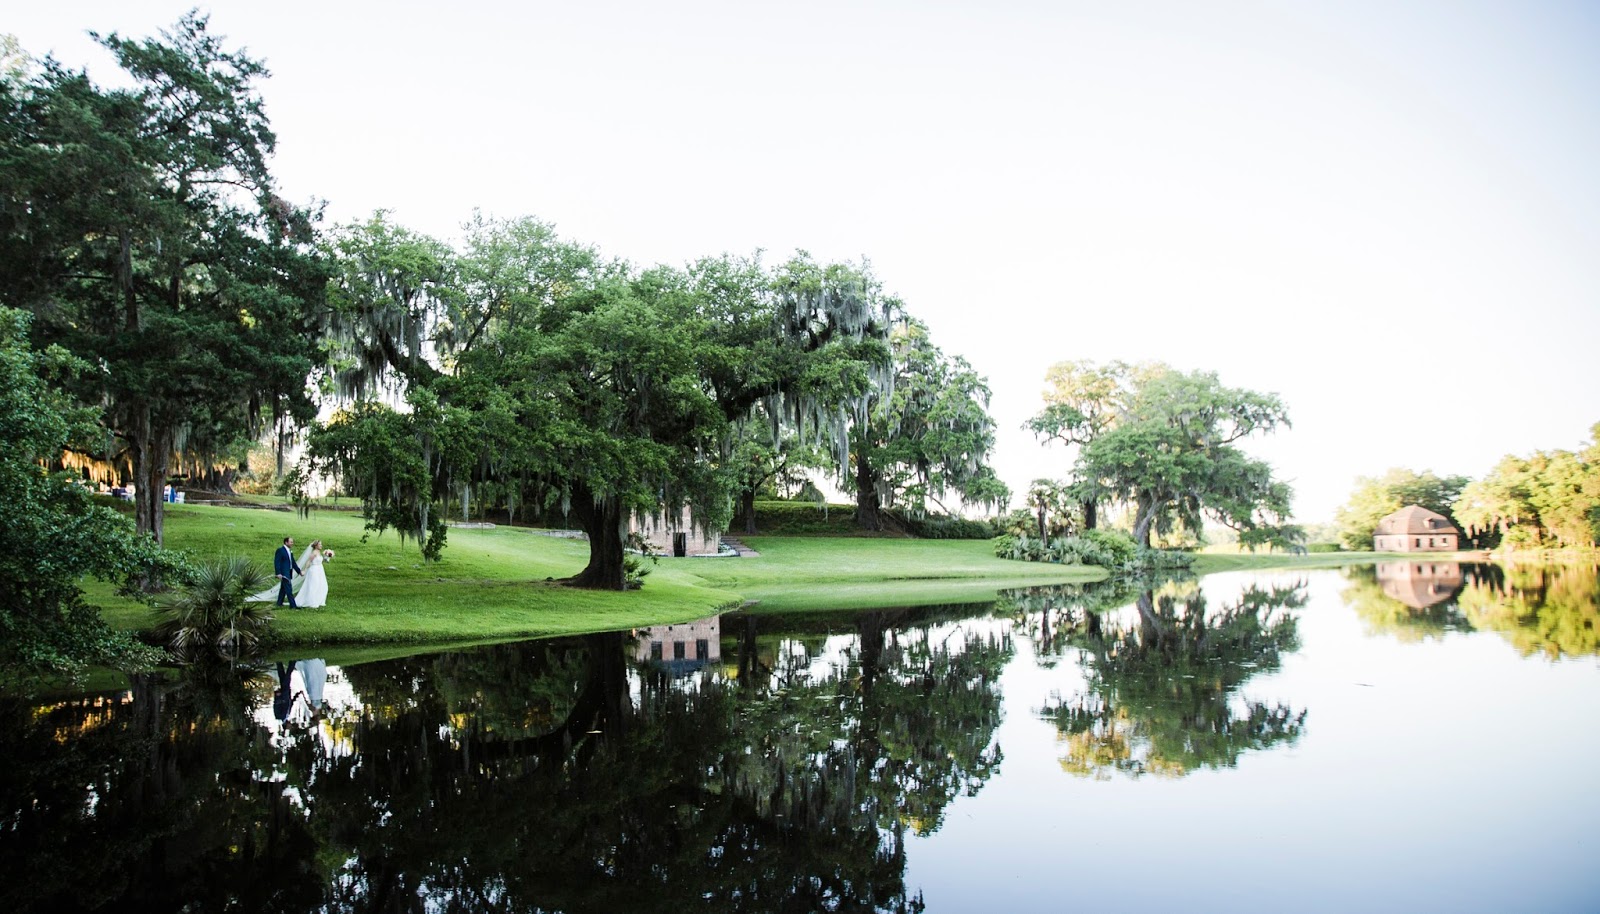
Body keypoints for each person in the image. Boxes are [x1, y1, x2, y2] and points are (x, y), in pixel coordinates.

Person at [297, 540, 330, 609]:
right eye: (320, 544)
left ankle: (319, 600)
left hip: (320, 570)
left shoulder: (319, 552)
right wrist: (305, 570)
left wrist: (327, 557)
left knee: (322, 585)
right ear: (316, 545)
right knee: (314, 585)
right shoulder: (314, 553)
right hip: (314, 570)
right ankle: (312, 601)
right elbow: (309, 561)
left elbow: (320, 561)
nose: (321, 545)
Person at [274, 536, 302, 608]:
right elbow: (277, 562)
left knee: (283, 588)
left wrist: (299, 571)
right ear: (286, 542)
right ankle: (293, 605)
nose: (292, 543)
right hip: (284, 572)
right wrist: (278, 573)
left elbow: (293, 562)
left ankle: (279, 603)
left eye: (292, 542)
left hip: (289, 571)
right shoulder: (280, 550)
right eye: (291, 542)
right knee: (289, 588)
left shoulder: (289, 551)